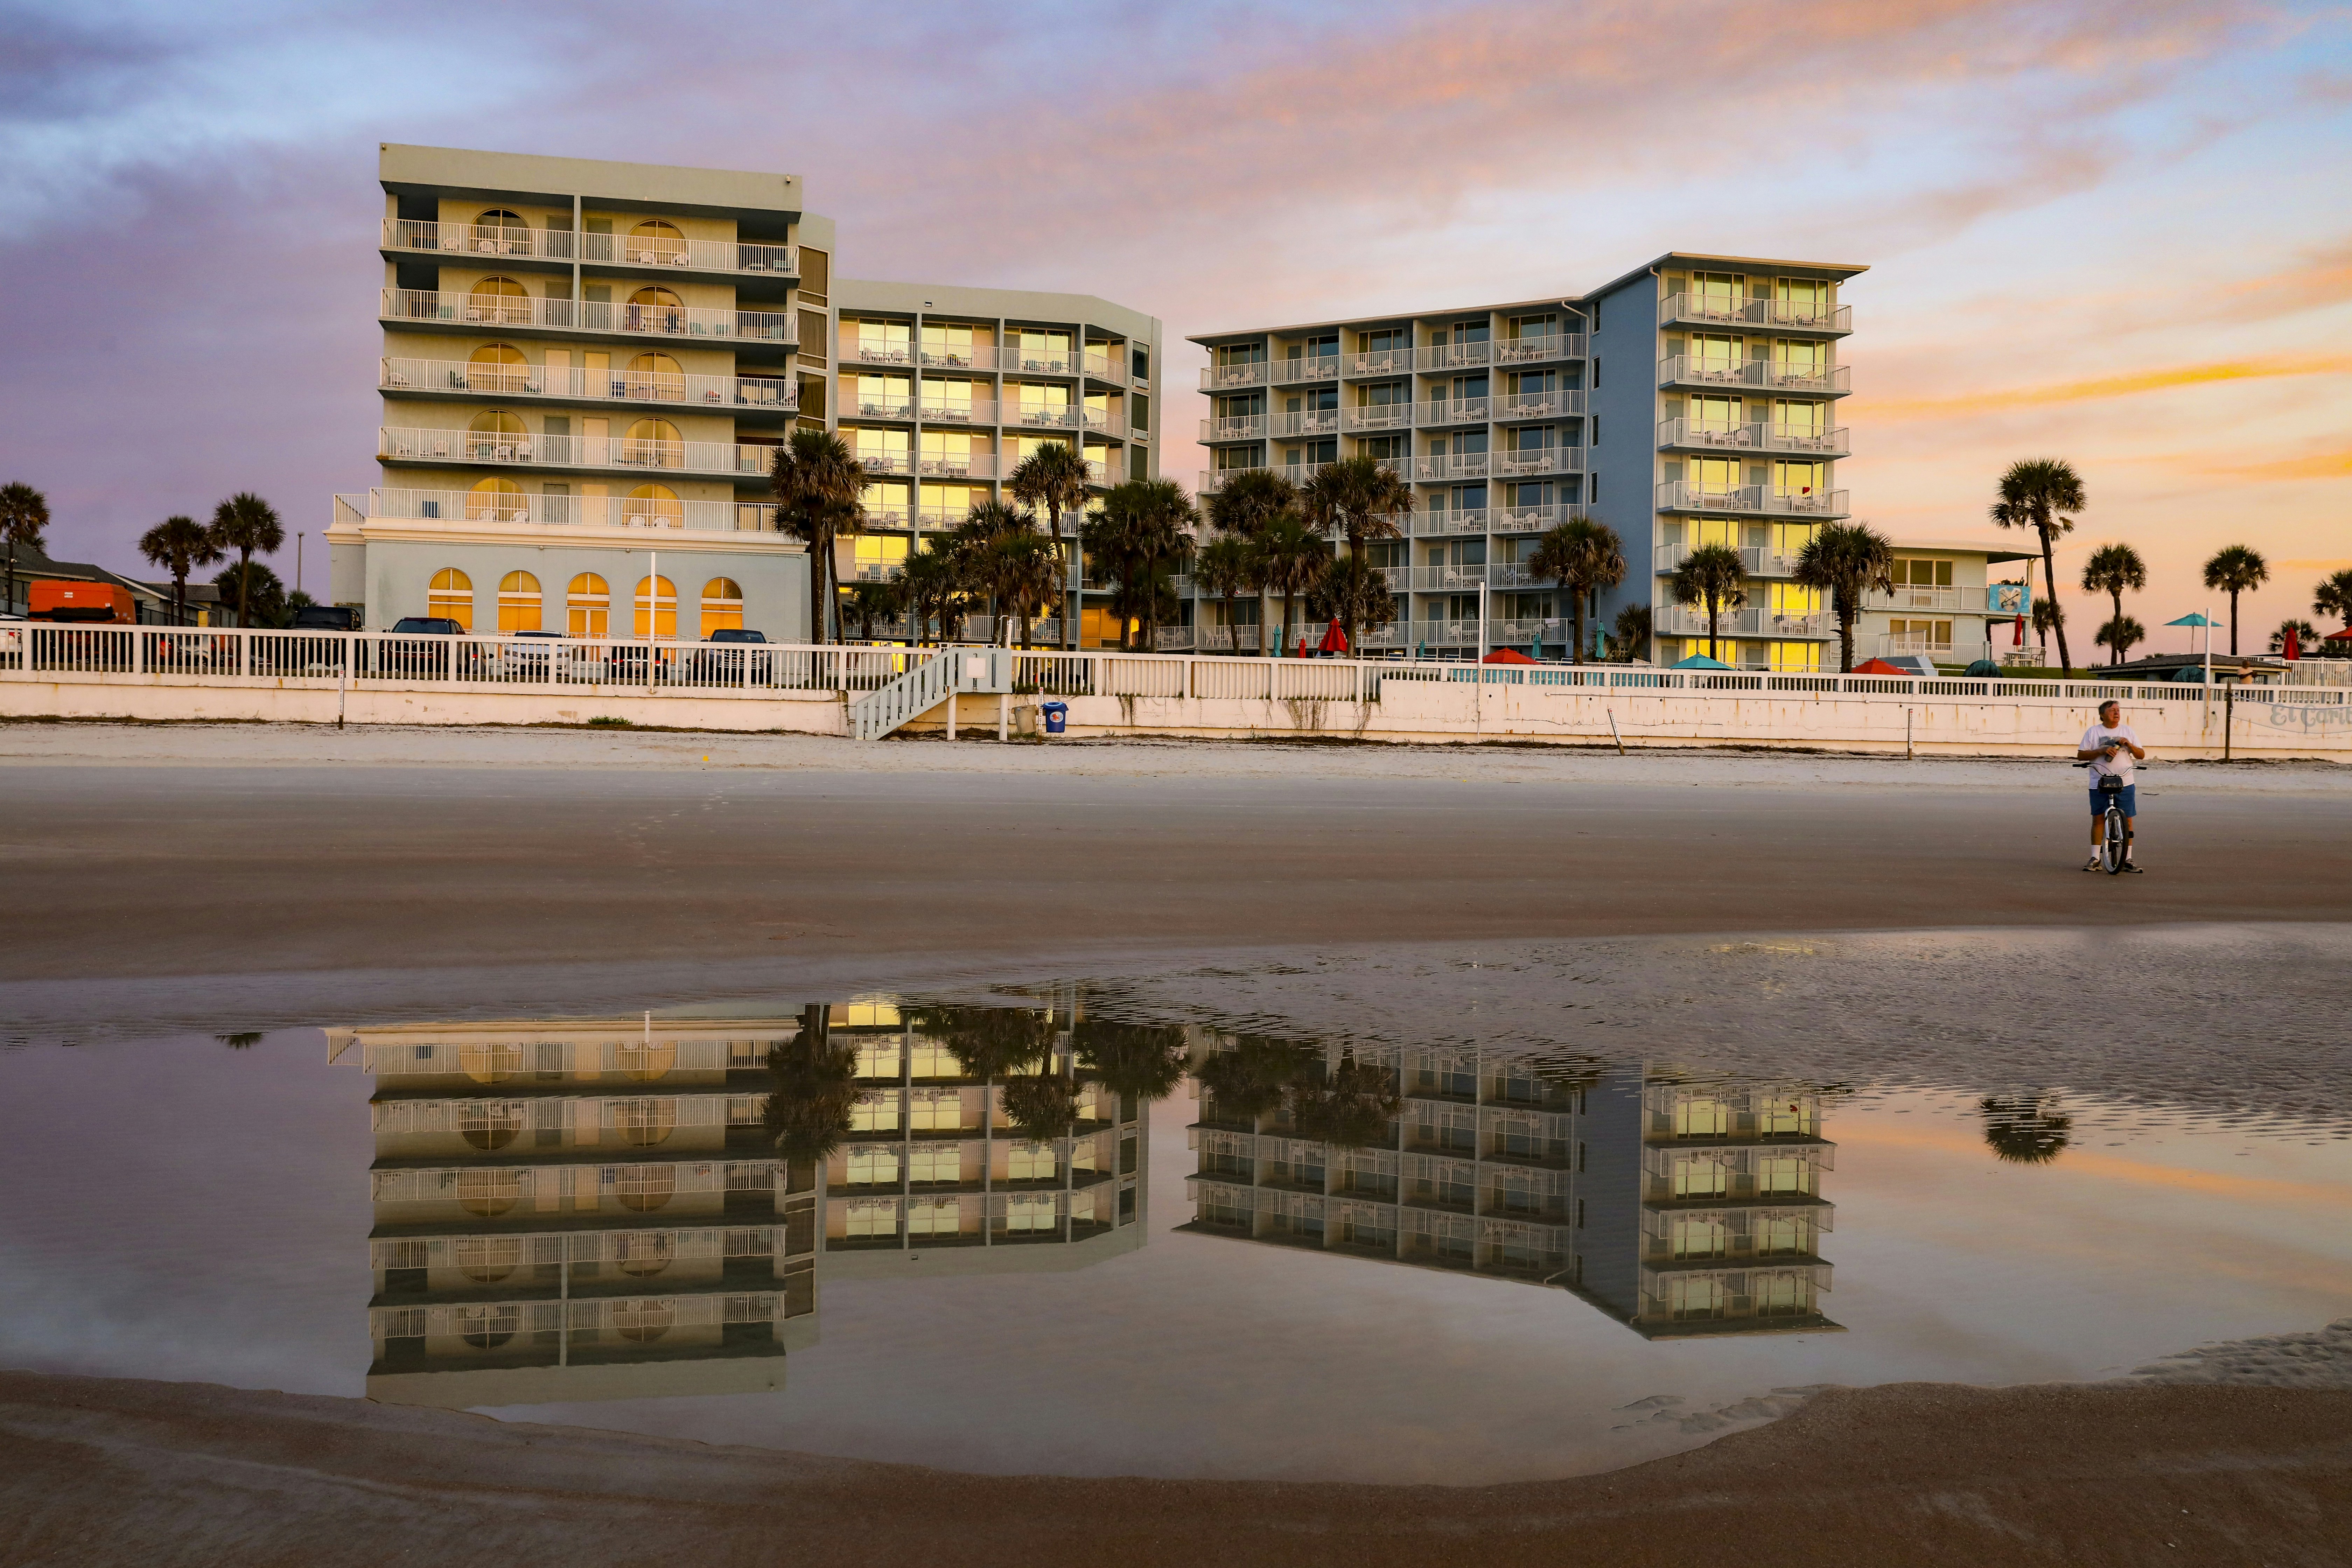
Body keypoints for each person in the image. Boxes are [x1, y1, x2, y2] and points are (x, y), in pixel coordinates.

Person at [2076, 699, 2147, 872]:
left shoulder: (2127, 731)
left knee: (2128, 820)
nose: (2116, 713)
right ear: (2102, 715)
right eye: (2112, 710)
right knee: (2099, 819)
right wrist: (2101, 751)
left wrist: (2129, 745)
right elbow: (2081, 755)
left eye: (2118, 710)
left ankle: (2128, 859)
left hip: (2125, 781)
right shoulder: (2093, 732)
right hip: (2099, 780)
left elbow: (2141, 755)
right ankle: (2095, 858)